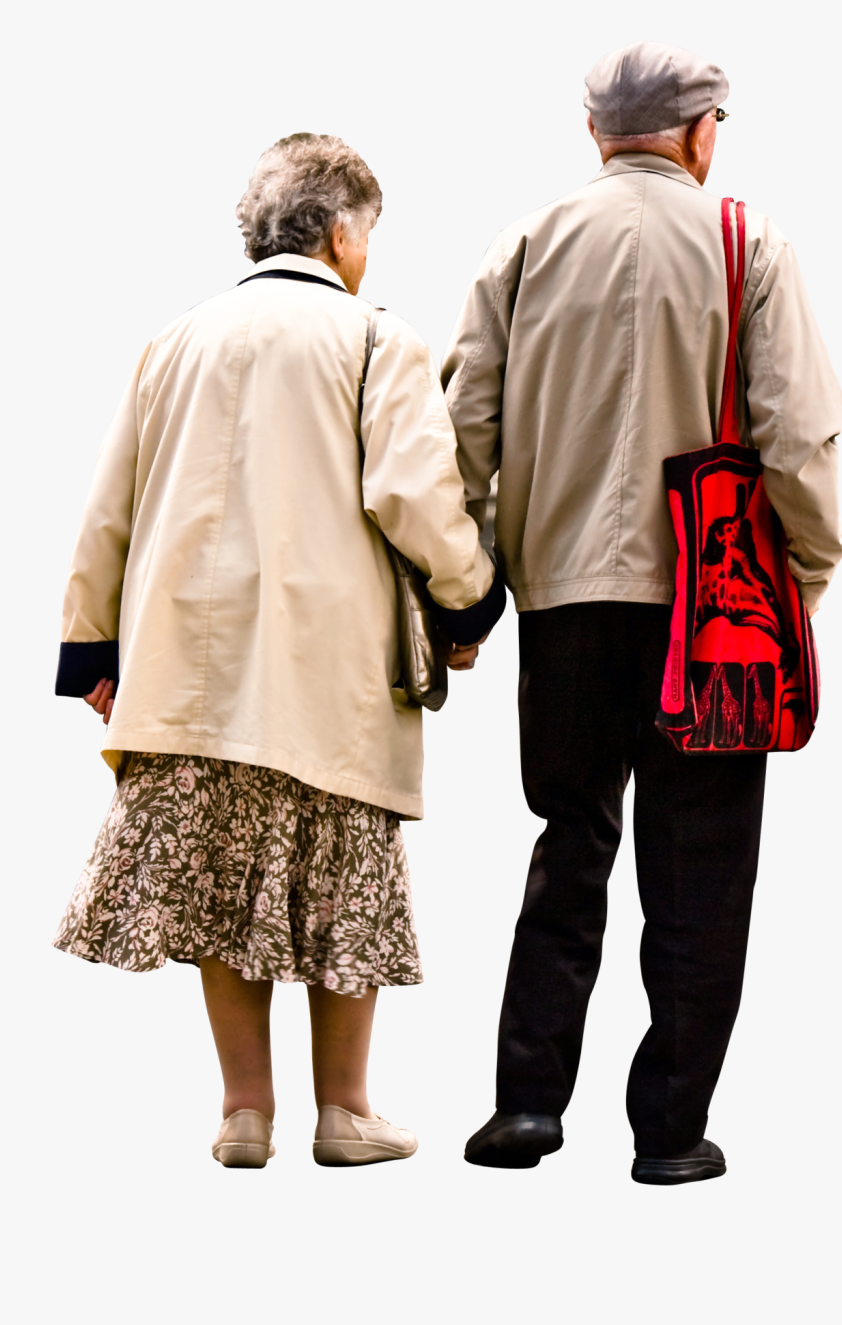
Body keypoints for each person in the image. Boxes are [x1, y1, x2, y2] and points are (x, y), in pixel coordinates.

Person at [53, 132, 505, 1169]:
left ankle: (243, 1112)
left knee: (221, 881)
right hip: (324, 666)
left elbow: (106, 512)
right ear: (343, 233)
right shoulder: (372, 339)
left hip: (187, 665)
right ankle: (344, 1111)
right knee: (341, 876)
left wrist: (92, 649)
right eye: (369, 236)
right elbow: (415, 496)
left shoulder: (175, 338)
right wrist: (470, 600)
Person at [443, 43, 842, 1182]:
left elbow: (460, 432)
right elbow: (798, 436)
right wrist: (799, 586)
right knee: (700, 871)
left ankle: (525, 1107)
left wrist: (470, 586)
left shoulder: (522, 245)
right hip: (708, 612)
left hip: (564, 600)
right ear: (703, 131)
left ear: (595, 135)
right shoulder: (748, 243)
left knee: (568, 843)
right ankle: (667, 1134)